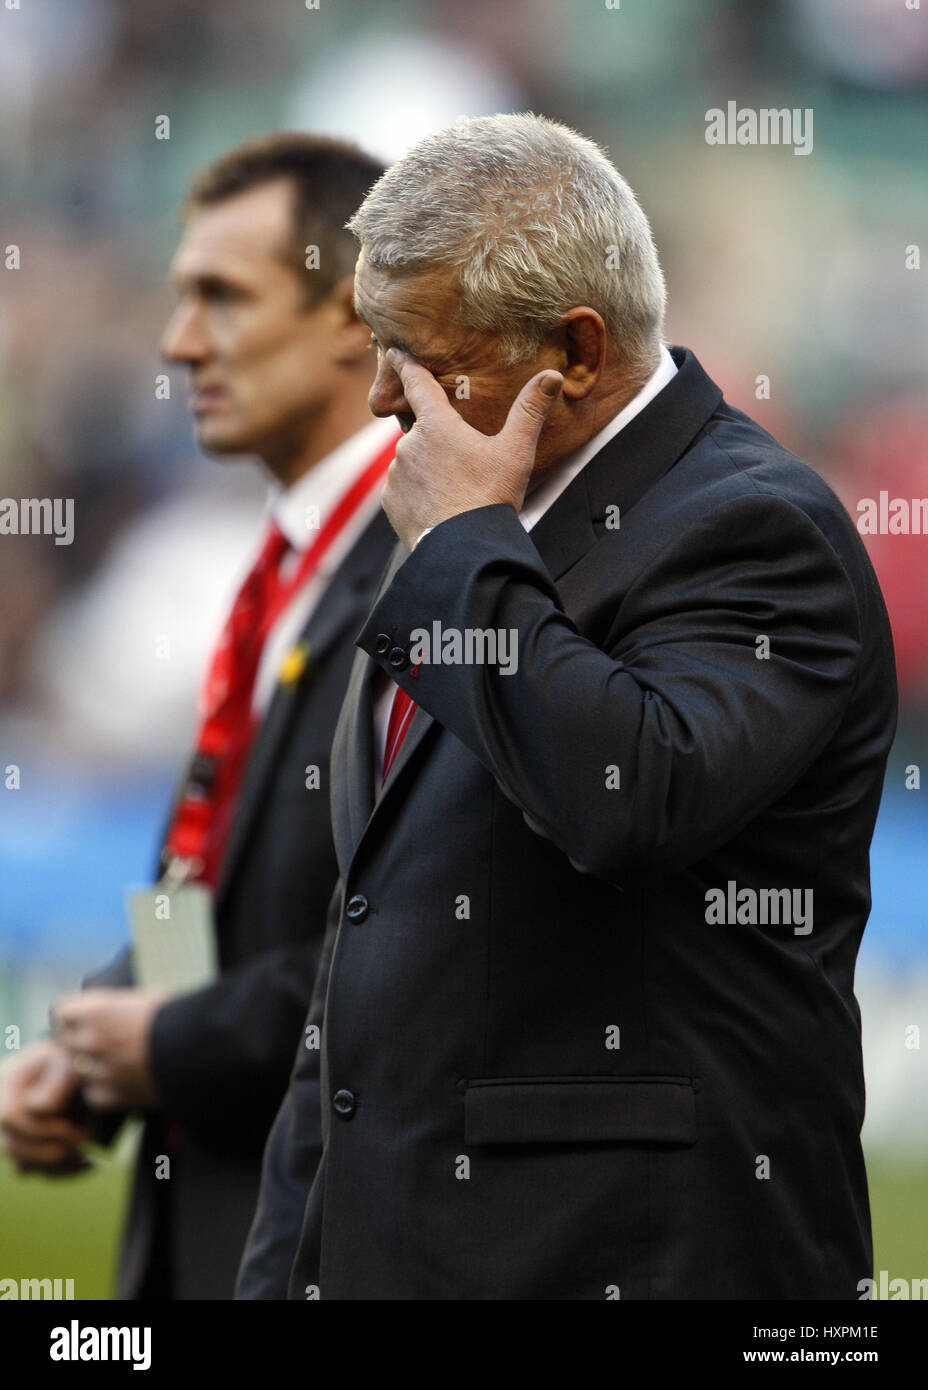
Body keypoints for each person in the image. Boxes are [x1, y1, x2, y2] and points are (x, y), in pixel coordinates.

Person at [237, 113, 897, 1300]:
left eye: (418, 355)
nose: (383, 396)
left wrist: (462, 547)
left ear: (577, 353)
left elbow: (629, 793)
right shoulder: (467, 521)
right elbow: (362, 969)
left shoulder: (752, 530)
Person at [0, 132, 399, 1300]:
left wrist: (167, 1044)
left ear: (351, 316)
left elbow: (406, 948)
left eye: (221, 297)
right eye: (179, 300)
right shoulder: (280, 565)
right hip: (210, 1232)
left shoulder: (442, 576)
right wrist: (107, 1027)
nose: (179, 344)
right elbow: (212, 871)